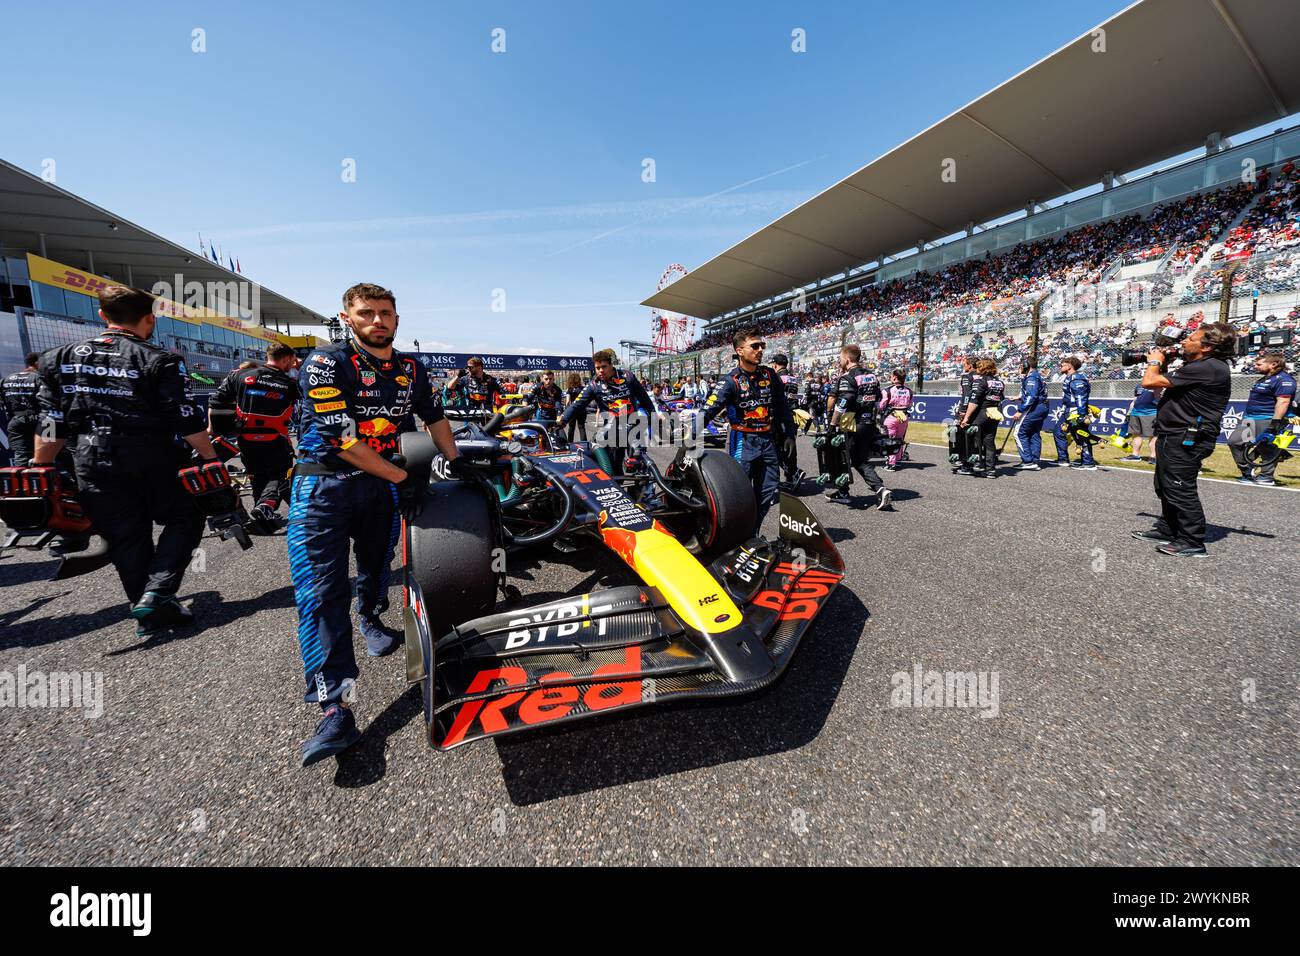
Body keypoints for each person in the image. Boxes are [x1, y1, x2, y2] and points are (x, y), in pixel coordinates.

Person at [290, 282, 464, 766]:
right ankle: (333, 707)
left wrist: (456, 462)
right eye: (366, 313)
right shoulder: (327, 362)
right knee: (322, 592)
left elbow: (435, 416)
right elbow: (341, 438)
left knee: (374, 565)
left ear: (397, 319)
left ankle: (370, 616)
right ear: (348, 318)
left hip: (380, 487)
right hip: (322, 488)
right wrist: (402, 475)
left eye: (386, 313)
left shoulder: (411, 368)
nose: (377, 321)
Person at [31, 286, 215, 635]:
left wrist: (42, 467)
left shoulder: (56, 358)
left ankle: (146, 606)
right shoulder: (159, 358)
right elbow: (185, 417)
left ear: (102, 315)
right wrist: (209, 457)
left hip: (91, 459)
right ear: (150, 318)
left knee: (125, 536)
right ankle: (159, 590)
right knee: (186, 514)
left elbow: (50, 423)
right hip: (153, 456)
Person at [1131, 322, 1235, 557]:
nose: (1184, 342)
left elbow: (1149, 382)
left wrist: (1155, 361)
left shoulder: (1209, 367)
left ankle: (1192, 540)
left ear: (1207, 347)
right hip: (1173, 434)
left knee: (1180, 488)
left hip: (1188, 436)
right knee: (1164, 485)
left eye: (1191, 339)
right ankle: (1169, 529)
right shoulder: (1199, 365)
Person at [699, 330, 796, 531]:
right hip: (742, 439)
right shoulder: (730, 380)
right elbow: (709, 410)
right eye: (755, 346)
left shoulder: (770, 375)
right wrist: (689, 437)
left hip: (767, 440)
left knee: (768, 490)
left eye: (762, 346)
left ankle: (752, 532)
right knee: (739, 492)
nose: (760, 350)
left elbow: (782, 406)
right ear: (740, 351)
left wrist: (789, 434)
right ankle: (733, 534)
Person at [207, 343, 301, 533]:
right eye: (291, 360)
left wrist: (212, 428)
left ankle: (262, 520)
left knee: (257, 476)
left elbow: (216, 401)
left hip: (246, 438)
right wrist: (300, 369)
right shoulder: (291, 384)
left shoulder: (238, 375)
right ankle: (266, 505)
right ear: (285, 359)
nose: (292, 364)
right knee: (281, 474)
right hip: (276, 438)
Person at [557, 349, 655, 476]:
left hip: (633, 426)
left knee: (638, 463)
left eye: (604, 367)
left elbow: (644, 397)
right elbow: (577, 404)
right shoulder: (594, 384)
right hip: (612, 430)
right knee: (613, 467)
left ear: (611, 365)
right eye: (597, 368)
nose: (600, 371)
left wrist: (653, 414)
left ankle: (640, 491)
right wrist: (563, 419)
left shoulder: (628, 376)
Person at [825, 344, 893, 510]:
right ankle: (880, 489)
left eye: (841, 358)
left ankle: (843, 493)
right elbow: (878, 401)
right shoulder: (872, 376)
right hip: (868, 423)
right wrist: (876, 422)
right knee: (859, 460)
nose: (840, 361)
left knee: (839, 456)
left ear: (847, 358)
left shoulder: (847, 377)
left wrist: (832, 425)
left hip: (851, 423)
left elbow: (842, 404)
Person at [1227, 352, 1295, 486]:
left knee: (1266, 448)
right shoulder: (1263, 379)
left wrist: (1275, 422)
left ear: (1274, 364)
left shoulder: (1284, 380)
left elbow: (1283, 402)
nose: (1255, 366)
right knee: (1235, 442)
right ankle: (1248, 470)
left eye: (1259, 364)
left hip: (1267, 418)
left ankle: (1266, 476)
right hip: (1250, 418)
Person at [960, 358, 1006, 478]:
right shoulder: (999, 382)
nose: (977, 368)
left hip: (982, 412)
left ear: (984, 368)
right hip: (994, 413)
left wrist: (966, 417)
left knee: (971, 437)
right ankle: (990, 469)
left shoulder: (982, 381)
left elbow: (974, 401)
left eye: (979, 366)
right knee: (989, 441)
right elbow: (1002, 398)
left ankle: (972, 465)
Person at [1052, 356, 1096, 469]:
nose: (1060, 367)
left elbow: (1080, 397)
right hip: (1069, 410)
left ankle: (1088, 462)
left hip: (1075, 411)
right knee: (1058, 431)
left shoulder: (1076, 379)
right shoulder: (1070, 377)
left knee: (1080, 435)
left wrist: (1081, 414)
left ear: (1069, 366)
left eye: (1062, 365)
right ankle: (1063, 459)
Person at [769, 353, 804, 487]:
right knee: (790, 447)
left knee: (774, 449)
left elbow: (772, 399)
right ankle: (791, 478)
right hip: (792, 416)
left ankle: (793, 472)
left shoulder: (776, 377)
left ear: (775, 364)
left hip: (779, 417)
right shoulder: (793, 378)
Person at [1, 352, 41, 466]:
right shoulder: (41, 378)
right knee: (51, 451)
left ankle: (23, 482)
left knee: (21, 457)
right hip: (45, 421)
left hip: (16, 421)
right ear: (37, 363)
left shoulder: (7, 379)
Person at [1010, 359, 1049, 470]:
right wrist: (1019, 397)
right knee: (1034, 433)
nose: (1020, 368)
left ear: (1027, 366)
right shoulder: (1038, 376)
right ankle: (1034, 459)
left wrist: (1020, 411)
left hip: (1034, 408)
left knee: (1018, 433)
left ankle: (1027, 461)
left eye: (1021, 366)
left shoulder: (1032, 377)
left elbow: (1031, 396)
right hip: (1042, 406)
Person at [879, 369, 913, 469]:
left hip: (891, 416)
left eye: (891, 376)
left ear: (894, 377)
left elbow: (881, 405)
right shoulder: (909, 391)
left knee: (891, 439)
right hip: (904, 416)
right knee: (900, 438)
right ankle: (898, 459)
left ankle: (891, 463)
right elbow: (910, 405)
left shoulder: (887, 390)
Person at [1121, 381, 1161, 463]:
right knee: (1135, 434)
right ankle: (1135, 455)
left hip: (1151, 413)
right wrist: (1129, 413)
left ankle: (1153, 457)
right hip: (1136, 412)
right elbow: (1135, 399)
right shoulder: (1139, 385)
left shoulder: (1159, 383)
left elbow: (1161, 398)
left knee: (1153, 435)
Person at [952, 356, 977, 472]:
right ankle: (975, 458)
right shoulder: (981, 376)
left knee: (958, 433)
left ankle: (961, 458)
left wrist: (962, 411)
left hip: (967, 410)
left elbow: (966, 395)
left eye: (965, 364)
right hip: (978, 410)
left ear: (970, 365)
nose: (963, 366)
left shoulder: (967, 376)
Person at [563, 372, 588, 441]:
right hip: (582, 410)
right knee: (581, 427)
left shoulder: (569, 389)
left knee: (571, 427)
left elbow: (567, 401)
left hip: (572, 410)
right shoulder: (583, 389)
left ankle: (570, 442)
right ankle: (584, 443)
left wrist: (566, 410)